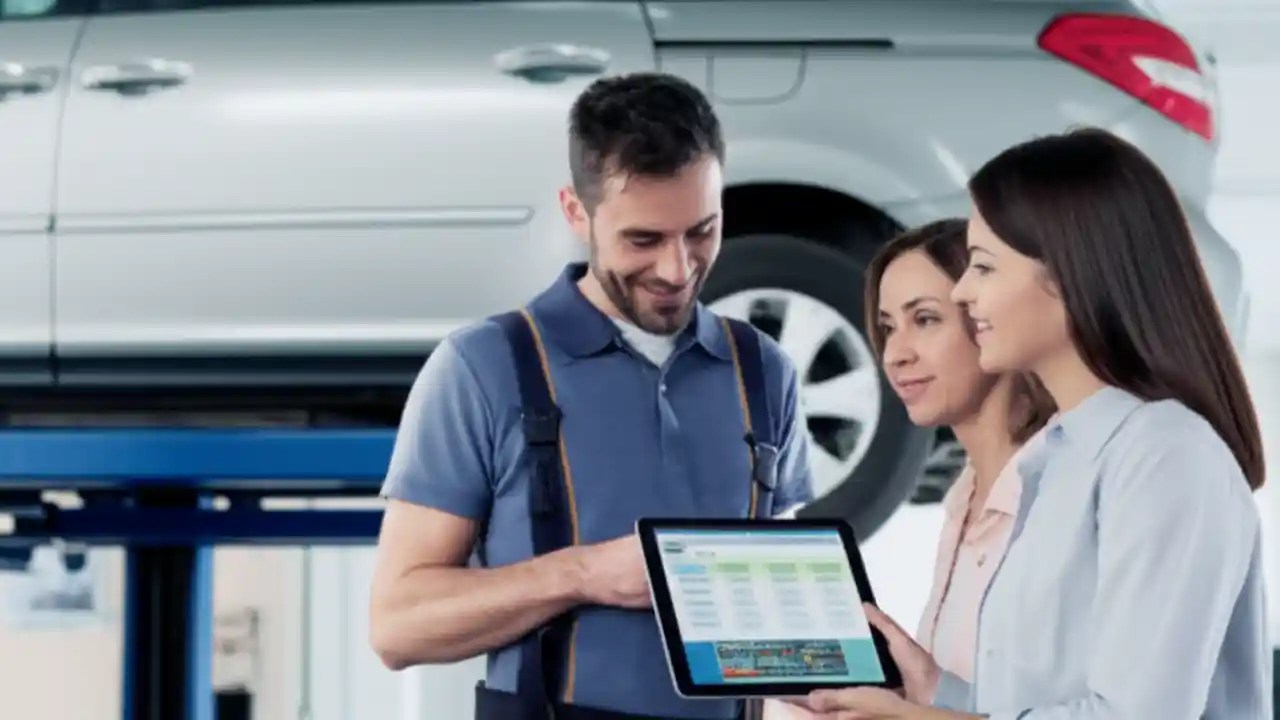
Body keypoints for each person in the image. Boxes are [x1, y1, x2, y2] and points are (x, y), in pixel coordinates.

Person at [366, 71, 815, 720]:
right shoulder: (483, 368)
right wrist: (581, 575)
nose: (677, 268)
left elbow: (785, 630)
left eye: (701, 231)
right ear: (577, 212)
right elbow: (397, 626)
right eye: (643, 240)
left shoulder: (764, 372)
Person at [804, 127, 1271, 719]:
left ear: (1068, 274)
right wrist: (934, 691)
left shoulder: (1166, 455)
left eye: (984, 267)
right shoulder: (1055, 462)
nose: (964, 294)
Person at [762, 219, 1054, 720]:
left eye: (925, 319)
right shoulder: (966, 495)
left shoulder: (1060, 491)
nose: (896, 355)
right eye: (888, 327)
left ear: (991, 317)